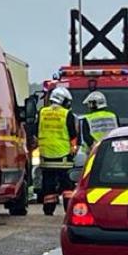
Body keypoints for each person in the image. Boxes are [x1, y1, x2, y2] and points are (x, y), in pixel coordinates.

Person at [37, 86, 79, 215]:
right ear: (63, 100)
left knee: (48, 184)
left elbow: (35, 130)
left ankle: (48, 210)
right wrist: (74, 149)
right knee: (67, 186)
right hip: (63, 156)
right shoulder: (67, 114)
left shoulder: (42, 112)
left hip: (46, 156)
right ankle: (69, 209)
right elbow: (73, 134)